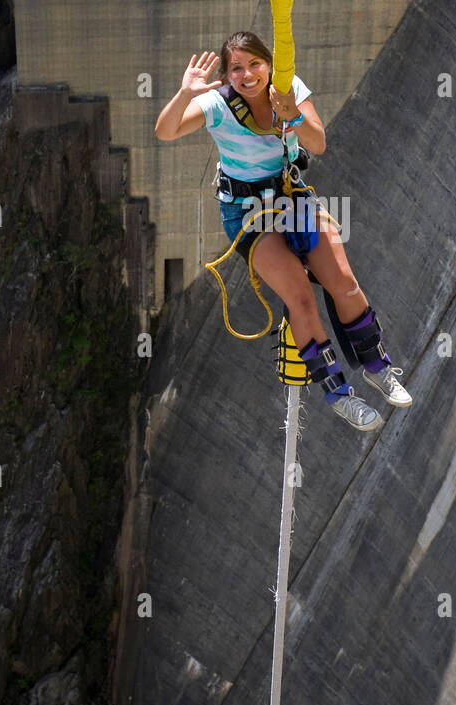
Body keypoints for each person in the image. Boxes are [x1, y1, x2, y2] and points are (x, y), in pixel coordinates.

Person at [155, 32, 412, 431]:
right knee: (300, 298)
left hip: (291, 198)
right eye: (236, 68)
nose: (247, 75)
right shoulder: (218, 104)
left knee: (344, 283)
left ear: (269, 65)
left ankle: (378, 368)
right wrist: (185, 94)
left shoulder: (289, 91)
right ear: (227, 74)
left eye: (255, 64)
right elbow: (166, 131)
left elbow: (318, 142)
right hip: (247, 213)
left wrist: (291, 114)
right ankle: (340, 395)